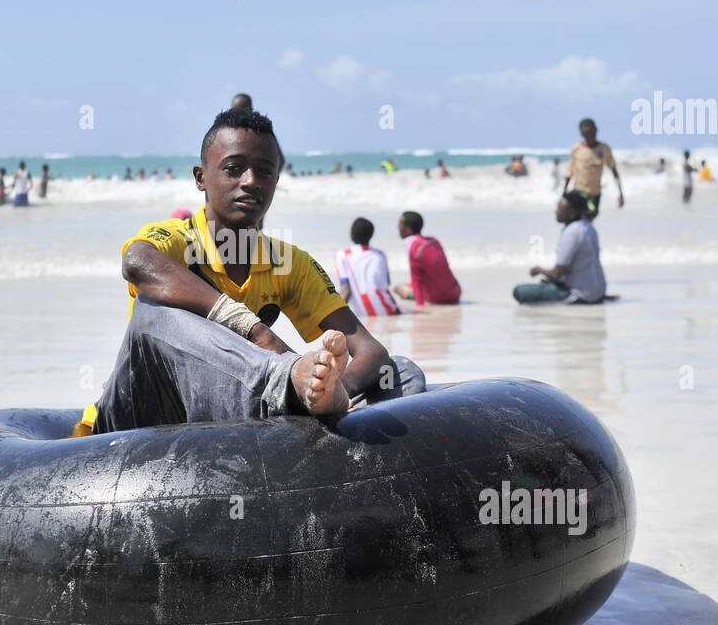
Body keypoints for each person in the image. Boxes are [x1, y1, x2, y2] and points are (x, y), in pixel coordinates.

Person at [71, 106, 426, 437]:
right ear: (201, 178)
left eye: (265, 171)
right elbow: (136, 261)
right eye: (234, 168)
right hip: (140, 417)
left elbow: (369, 349)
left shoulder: (287, 261)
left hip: (222, 409)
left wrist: (333, 389)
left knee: (400, 371)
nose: (251, 181)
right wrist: (254, 329)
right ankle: (288, 381)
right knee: (153, 312)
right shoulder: (179, 240)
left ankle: (302, 396)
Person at [513, 191, 607, 305]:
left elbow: (558, 273)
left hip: (580, 295)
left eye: (559, 209)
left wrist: (538, 270)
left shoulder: (571, 233)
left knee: (519, 291)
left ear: (571, 213)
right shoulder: (589, 227)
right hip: (597, 291)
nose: (556, 212)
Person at [392, 211, 461, 307]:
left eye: (400, 225)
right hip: (455, 292)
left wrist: (419, 307)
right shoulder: (434, 241)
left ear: (408, 230)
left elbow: (416, 280)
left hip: (437, 299)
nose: (398, 228)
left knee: (397, 288)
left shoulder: (412, 245)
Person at [334, 218, 400, 318]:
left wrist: (336, 316)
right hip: (387, 310)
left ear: (351, 235)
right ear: (371, 236)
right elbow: (387, 282)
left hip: (360, 314)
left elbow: (346, 291)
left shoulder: (342, 255)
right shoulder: (380, 254)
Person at [563, 118, 623, 218]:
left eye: (592, 132)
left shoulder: (604, 149)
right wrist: (564, 191)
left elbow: (614, 170)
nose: (590, 136)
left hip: (594, 195)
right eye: (586, 133)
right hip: (579, 193)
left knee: (589, 219)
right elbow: (569, 171)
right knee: (574, 219)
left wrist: (621, 194)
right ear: (582, 134)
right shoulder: (577, 148)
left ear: (596, 131)